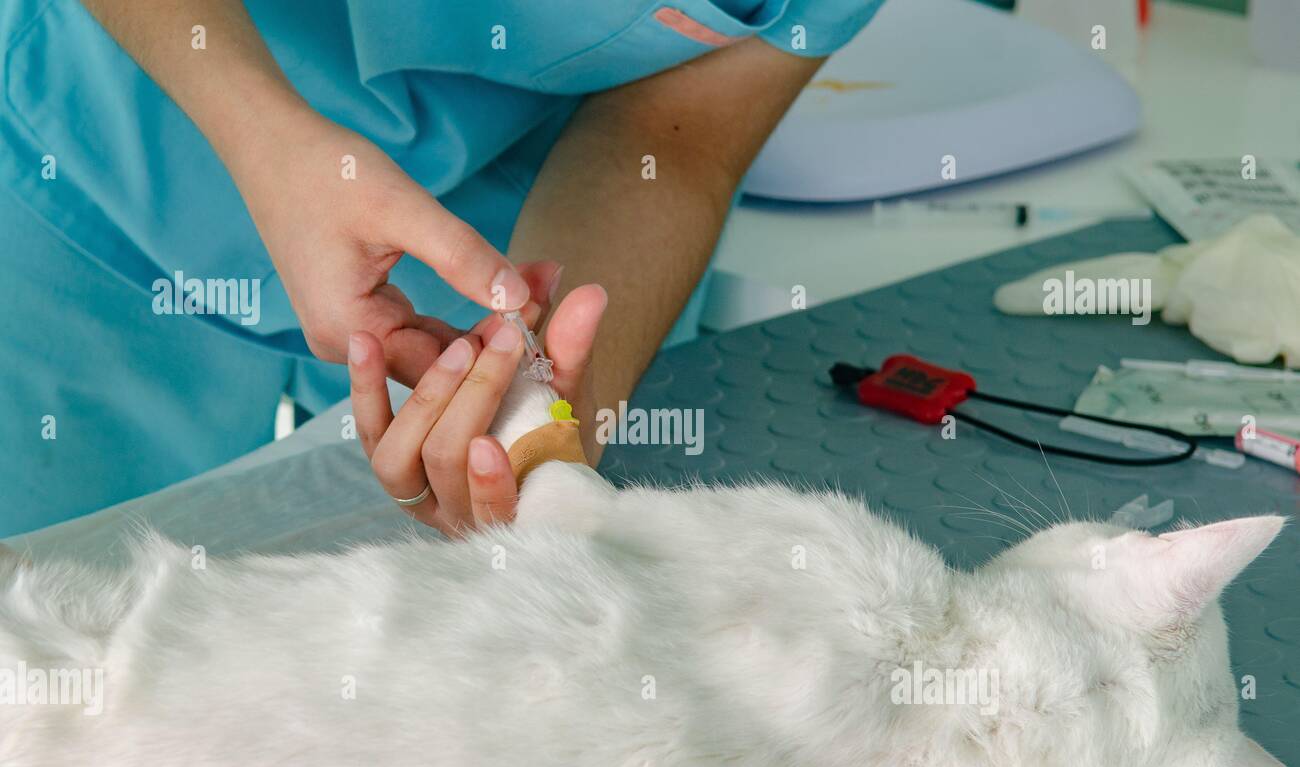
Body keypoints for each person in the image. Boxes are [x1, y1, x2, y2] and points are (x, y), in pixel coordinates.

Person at [0, 0, 886, 537]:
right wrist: (268, 140)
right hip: (108, 174)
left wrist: (542, 411)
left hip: (476, 264)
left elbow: (671, 142)